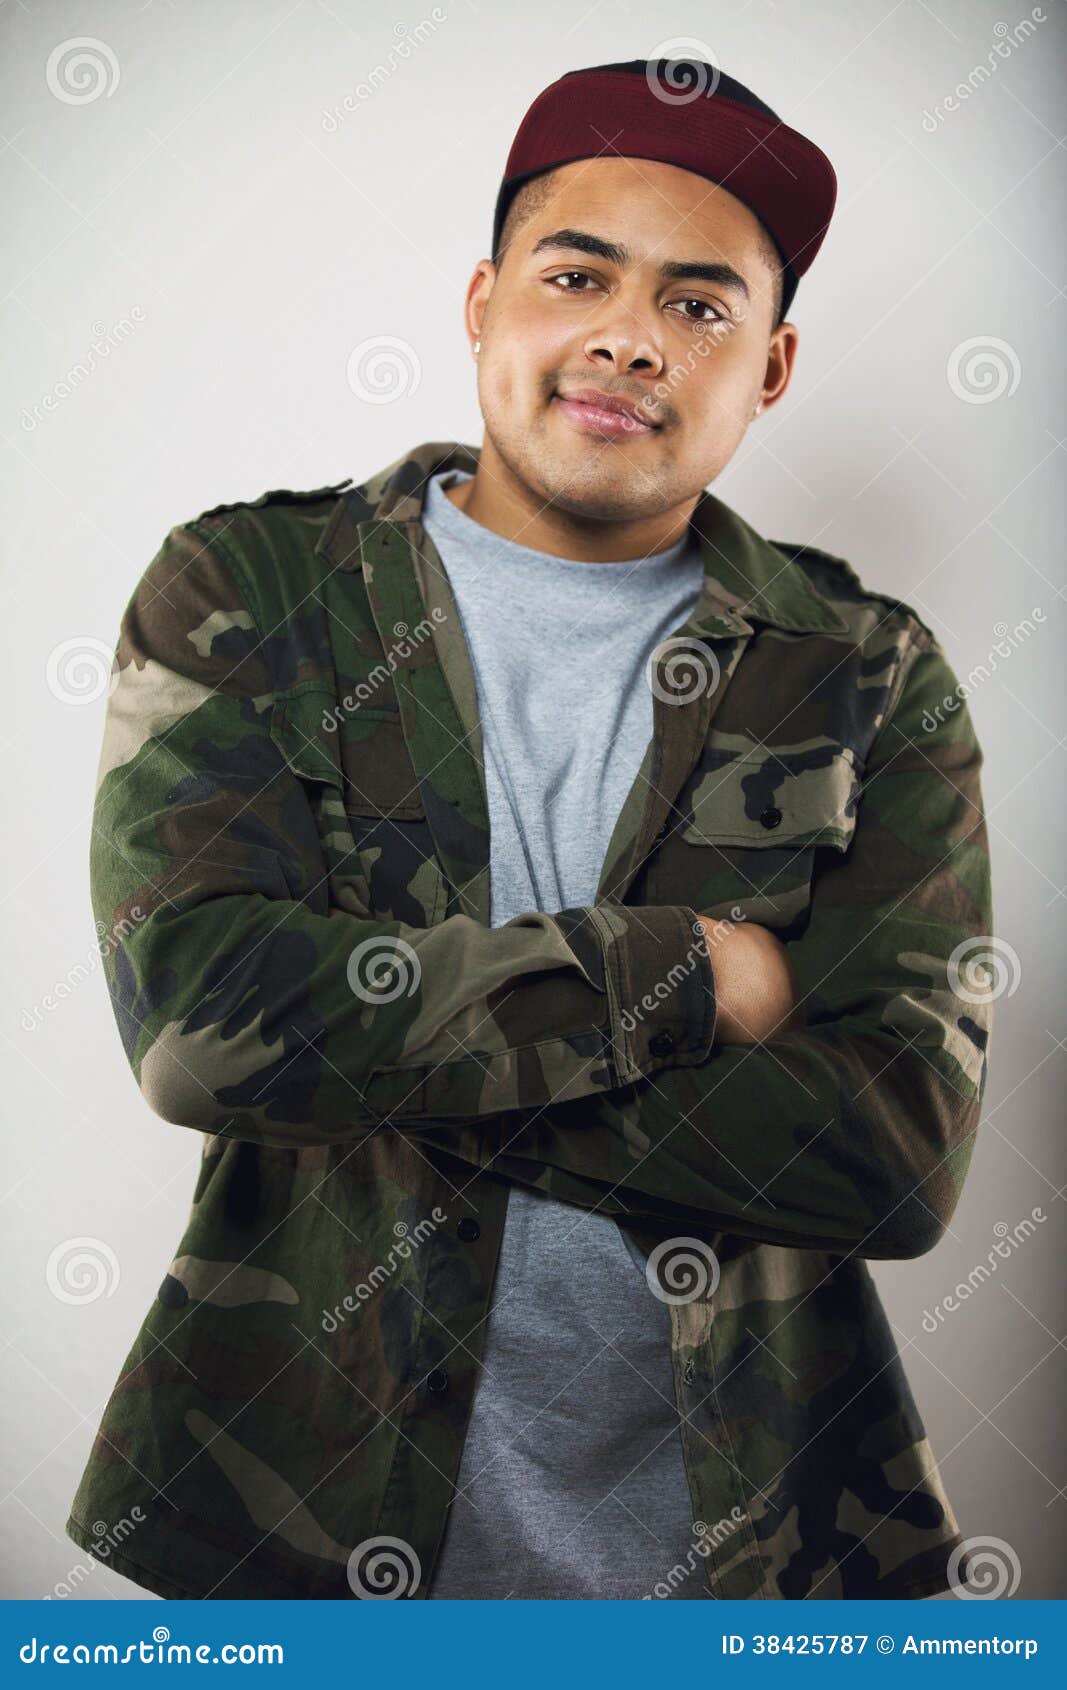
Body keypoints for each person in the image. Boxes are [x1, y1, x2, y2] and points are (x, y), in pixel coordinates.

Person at [67, 59, 994, 1601]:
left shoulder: (868, 665)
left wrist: (380, 1049)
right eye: (581, 276)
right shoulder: (256, 589)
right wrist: (687, 976)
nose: (631, 334)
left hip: (758, 1561)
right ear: (488, 303)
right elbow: (200, 1023)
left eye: (702, 306)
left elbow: (894, 1154)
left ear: (769, 370)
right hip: (293, 1526)